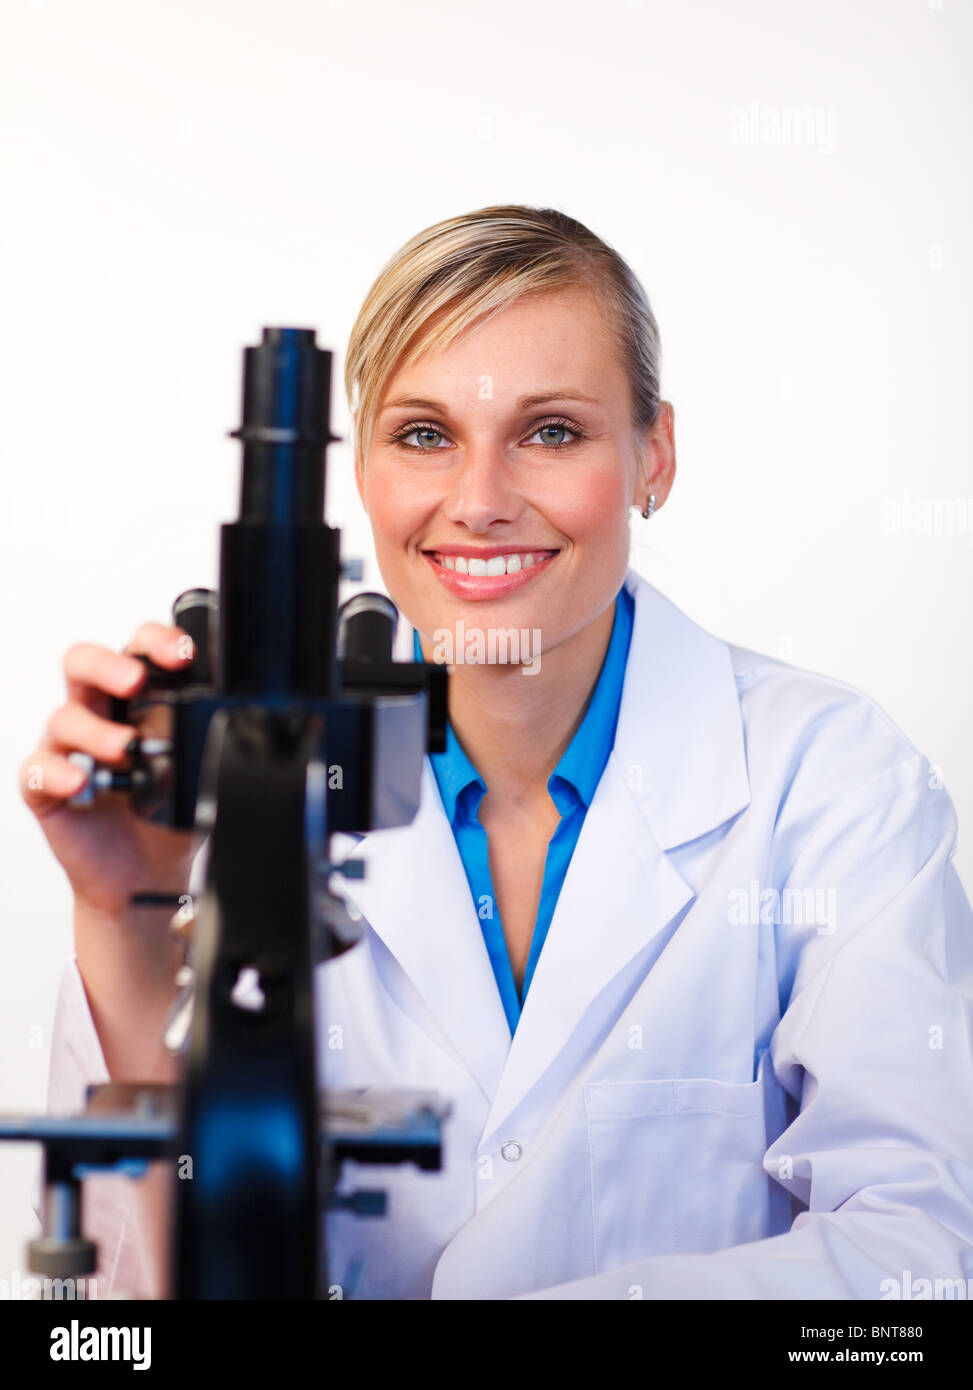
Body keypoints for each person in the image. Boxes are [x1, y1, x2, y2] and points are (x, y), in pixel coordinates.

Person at [20, 205, 973, 1301]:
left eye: (551, 431)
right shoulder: (250, 766)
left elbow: (922, 1261)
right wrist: (122, 908)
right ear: (362, 471)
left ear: (652, 455)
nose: (478, 504)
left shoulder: (829, 778)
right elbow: (127, 1295)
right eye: (424, 434)